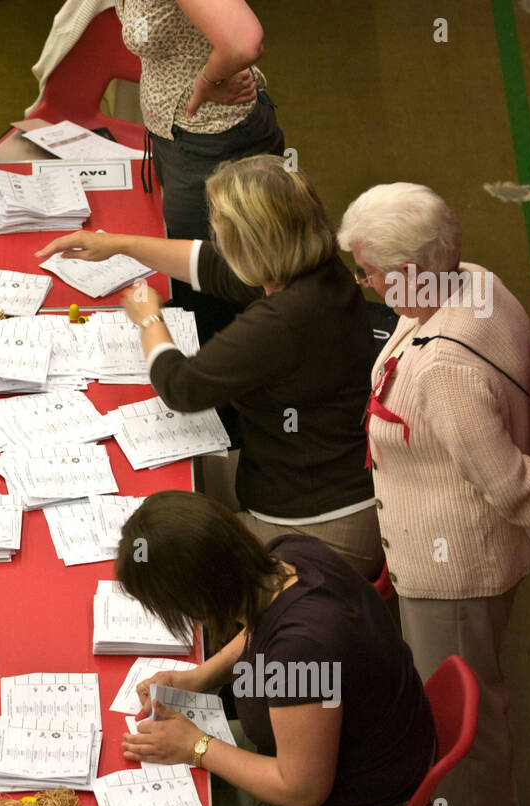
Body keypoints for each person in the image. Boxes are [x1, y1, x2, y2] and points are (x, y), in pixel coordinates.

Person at [337, 182, 530, 806]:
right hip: (469, 560)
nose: (362, 280)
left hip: (455, 576)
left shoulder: (441, 367)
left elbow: (503, 481)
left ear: (410, 271)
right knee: (475, 697)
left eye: (369, 268)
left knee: (467, 735)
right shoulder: (475, 284)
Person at [42, 155, 382, 579]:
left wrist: (150, 320)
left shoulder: (282, 321)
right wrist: (120, 245)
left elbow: (182, 387)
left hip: (316, 528)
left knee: (166, 563)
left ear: (252, 243)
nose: (216, 240)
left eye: (223, 232)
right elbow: (212, 265)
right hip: (311, 482)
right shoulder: (316, 267)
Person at [116, 492, 435, 806]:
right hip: (342, 762)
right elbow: (258, 627)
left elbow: (301, 789)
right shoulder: (288, 557)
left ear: (198, 598)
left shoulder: (300, 651)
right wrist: (198, 677)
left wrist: (197, 746)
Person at [113, 0, 285, 338]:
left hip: (214, 145)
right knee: (198, 280)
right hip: (179, 139)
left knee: (214, 293)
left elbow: (244, 40)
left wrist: (207, 82)